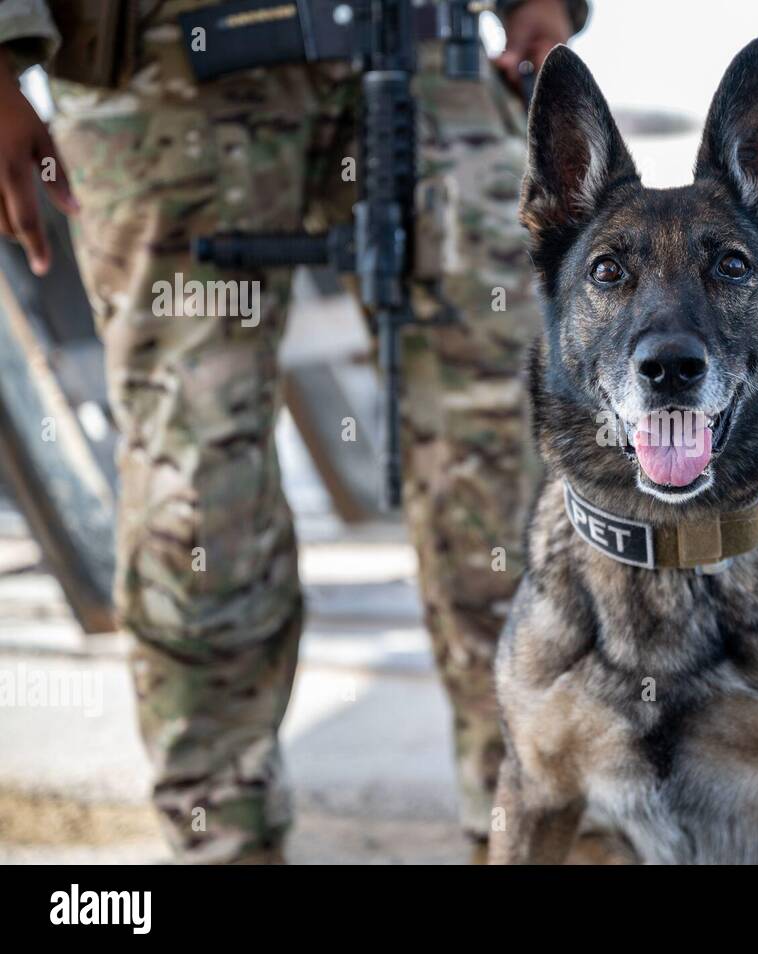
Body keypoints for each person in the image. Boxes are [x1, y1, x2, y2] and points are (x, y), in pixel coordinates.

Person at [0, 0, 586, 863]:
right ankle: (224, 836)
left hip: (421, 41)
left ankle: (543, 826)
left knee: (512, 438)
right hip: (166, 60)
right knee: (197, 481)